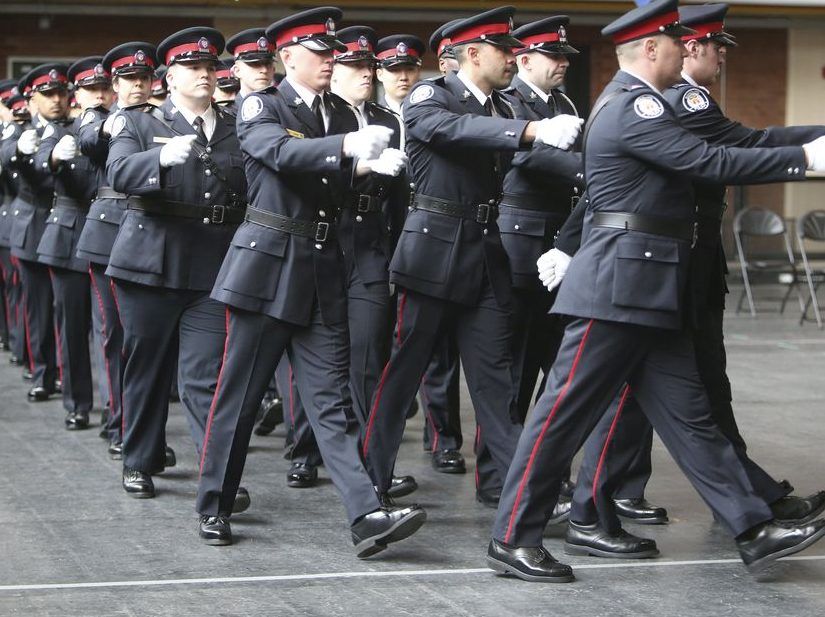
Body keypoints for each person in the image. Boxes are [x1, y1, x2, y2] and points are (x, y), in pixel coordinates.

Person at [487, 0, 825, 583]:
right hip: (616, 288)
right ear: (651, 49)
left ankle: (752, 527)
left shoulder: (648, 105)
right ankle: (513, 537)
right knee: (560, 416)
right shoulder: (632, 105)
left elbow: (715, 151)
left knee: (691, 416)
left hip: (644, 287)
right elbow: (708, 160)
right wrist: (803, 159)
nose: (686, 49)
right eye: (675, 42)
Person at [194, 7, 426, 557]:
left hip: (322, 268)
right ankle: (214, 503)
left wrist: (369, 171)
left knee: (330, 400)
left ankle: (365, 513)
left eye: (331, 53)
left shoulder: (340, 113)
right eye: (319, 53)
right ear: (287, 57)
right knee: (241, 396)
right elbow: (277, 152)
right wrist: (347, 152)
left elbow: (337, 185)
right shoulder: (262, 104)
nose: (329, 62)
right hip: (269, 266)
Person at [361, 6, 582, 505]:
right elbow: (451, 131)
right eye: (504, 50)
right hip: (432, 254)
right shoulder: (431, 94)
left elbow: (533, 156)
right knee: (403, 375)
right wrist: (531, 131)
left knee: (496, 383)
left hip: (485, 255)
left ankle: (521, 491)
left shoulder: (502, 107)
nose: (513, 58)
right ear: (474, 54)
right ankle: (371, 481)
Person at [106, 27, 248, 505]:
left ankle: (218, 477)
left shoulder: (234, 126)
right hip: (150, 264)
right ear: (169, 78)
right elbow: (118, 172)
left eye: (210, 67)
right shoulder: (139, 123)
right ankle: (139, 459)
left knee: (206, 376)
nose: (205, 74)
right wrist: (159, 158)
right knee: (146, 368)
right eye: (193, 67)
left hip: (212, 265)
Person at [76, 41, 159, 457]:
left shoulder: (165, 118)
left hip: (153, 232)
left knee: (149, 337)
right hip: (109, 233)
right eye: (129, 79)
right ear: (115, 86)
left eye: (144, 78)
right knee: (114, 333)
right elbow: (89, 138)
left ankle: (144, 430)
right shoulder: (101, 118)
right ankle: (118, 421)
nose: (137, 85)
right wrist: (114, 124)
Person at [35, 56, 114, 429]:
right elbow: (40, 159)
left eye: (104, 88)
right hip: (70, 234)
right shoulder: (62, 129)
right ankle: (78, 402)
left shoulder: (122, 126)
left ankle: (115, 410)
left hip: (110, 236)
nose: (99, 95)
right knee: (71, 326)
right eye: (91, 89)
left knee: (110, 330)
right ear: (76, 95)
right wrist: (53, 156)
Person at [7, 64, 71, 402]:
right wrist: (19, 150)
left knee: (66, 308)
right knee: (38, 307)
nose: (57, 100)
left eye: (61, 93)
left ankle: (64, 372)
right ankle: (42, 372)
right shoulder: (22, 131)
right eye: (48, 95)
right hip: (35, 224)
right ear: (32, 100)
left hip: (67, 227)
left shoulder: (76, 128)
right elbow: (5, 153)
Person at [0, 84, 28, 370]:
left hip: (18, 217)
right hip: (9, 213)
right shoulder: (8, 137)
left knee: (17, 287)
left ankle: (18, 343)